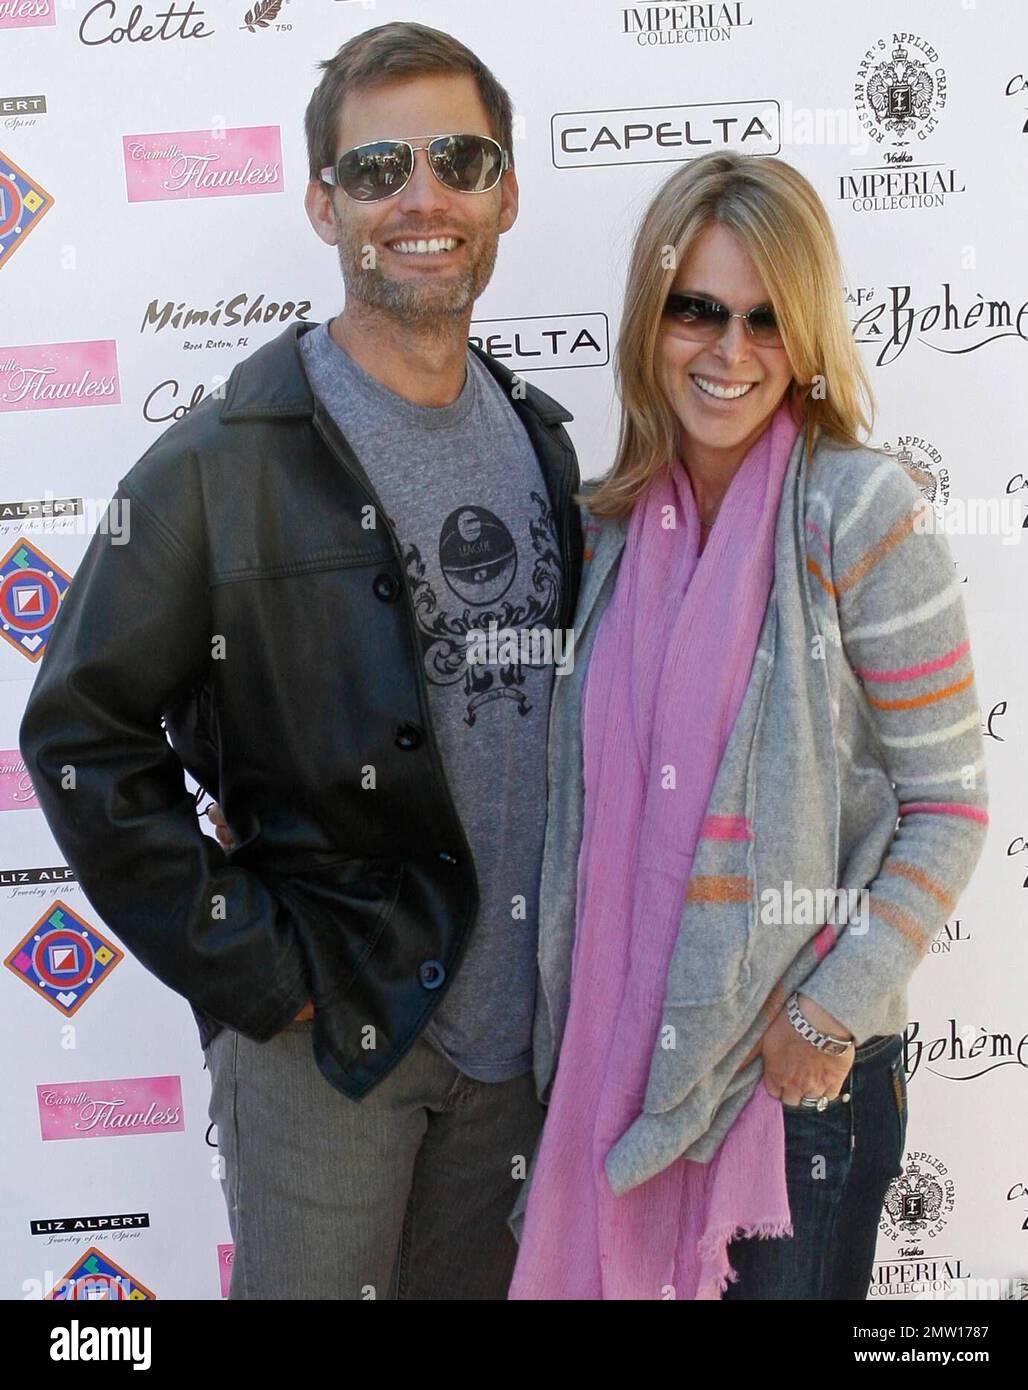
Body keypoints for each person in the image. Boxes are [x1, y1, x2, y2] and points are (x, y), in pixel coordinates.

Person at [19, 22, 583, 1300]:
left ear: (504, 188)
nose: (420, 198)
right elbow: (80, 731)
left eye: (457, 157)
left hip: (517, 1046)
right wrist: (260, 968)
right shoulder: (224, 461)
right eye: (377, 169)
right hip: (330, 1042)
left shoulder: (541, 440)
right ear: (323, 204)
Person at [506, 151, 989, 1300]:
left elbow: (950, 807)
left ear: (809, 334)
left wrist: (820, 1020)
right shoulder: (607, 531)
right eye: (699, 311)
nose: (729, 354)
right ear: (651, 318)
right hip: (613, 1078)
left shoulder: (856, 509)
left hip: (792, 1098)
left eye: (767, 320)